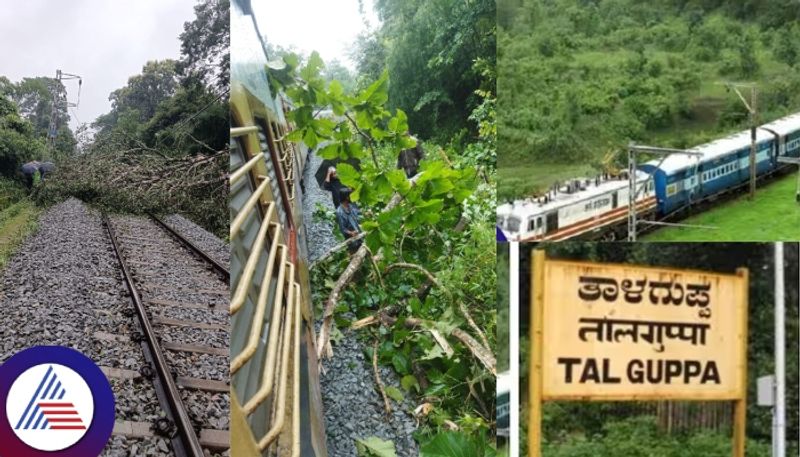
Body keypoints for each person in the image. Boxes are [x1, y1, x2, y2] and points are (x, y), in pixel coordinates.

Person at [335, 189, 362, 254]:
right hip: (352, 240)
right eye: (351, 195)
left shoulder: (350, 206)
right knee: (355, 255)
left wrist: (365, 212)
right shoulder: (339, 212)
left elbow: (357, 213)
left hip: (359, 234)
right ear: (347, 197)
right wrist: (351, 233)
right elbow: (342, 229)